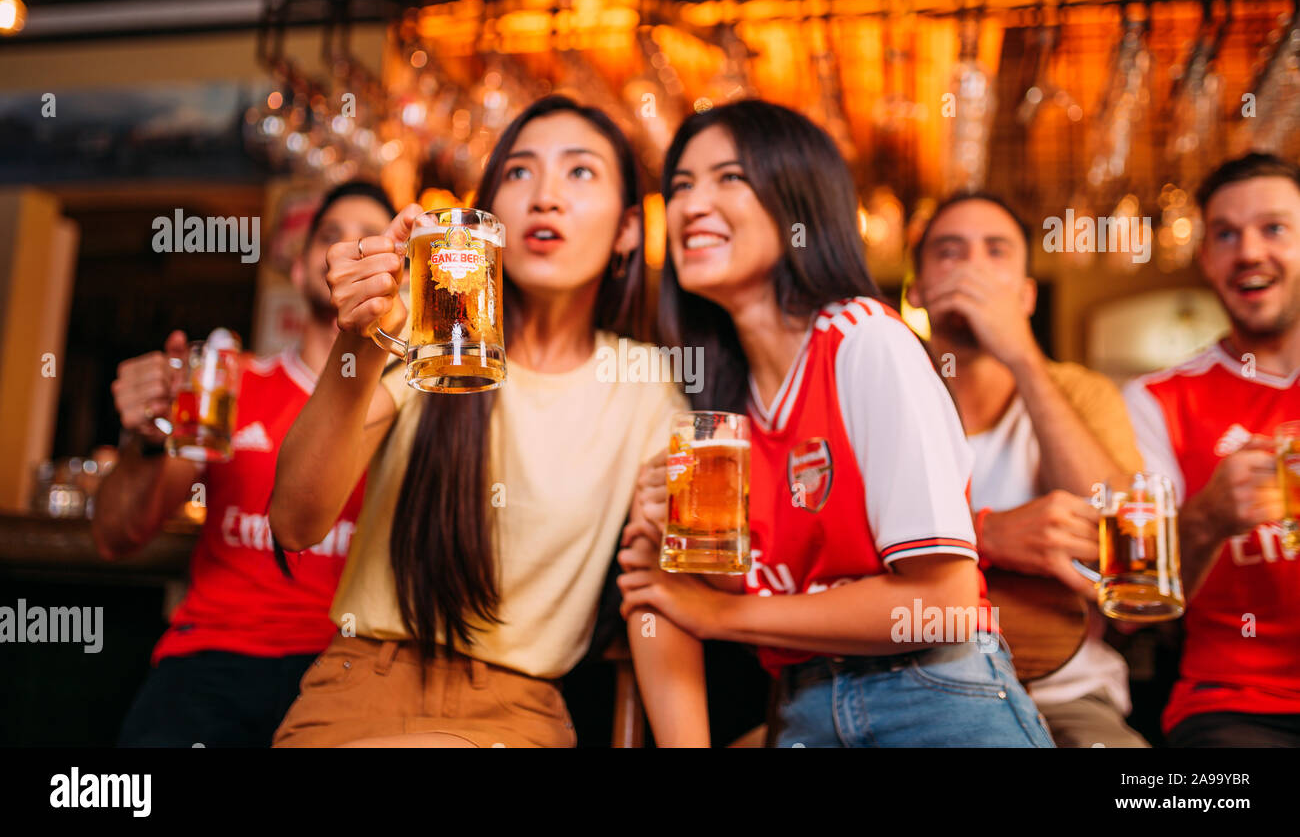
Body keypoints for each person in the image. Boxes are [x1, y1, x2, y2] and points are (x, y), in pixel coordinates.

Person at [617, 100, 1053, 747]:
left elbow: (944, 605)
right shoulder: (715, 406)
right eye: (680, 185)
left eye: (729, 177)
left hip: (933, 695)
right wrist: (668, 540)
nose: (691, 205)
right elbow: (656, 591)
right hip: (801, 708)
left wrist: (723, 613)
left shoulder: (864, 340)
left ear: (799, 201)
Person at [267, 95, 685, 748]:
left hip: (516, 715)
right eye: (519, 173)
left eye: (579, 172)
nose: (545, 196)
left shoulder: (643, 384)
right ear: (489, 218)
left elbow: (667, 584)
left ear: (629, 228)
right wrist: (360, 340)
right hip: (355, 692)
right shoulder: (443, 339)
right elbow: (294, 522)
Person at [92, 180, 397, 746]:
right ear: (303, 270)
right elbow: (116, 537)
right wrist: (147, 438)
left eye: (370, 241)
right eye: (332, 239)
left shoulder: (409, 401)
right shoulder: (230, 386)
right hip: (212, 658)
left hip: (345, 666)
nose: (352, 252)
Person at [906, 192, 1149, 748]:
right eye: (950, 251)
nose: (971, 267)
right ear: (916, 291)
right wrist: (984, 533)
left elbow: (1127, 550)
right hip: (910, 685)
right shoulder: (884, 396)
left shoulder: (1082, 392)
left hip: (1064, 693)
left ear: (1027, 295)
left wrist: (1022, 357)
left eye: (995, 252)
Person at [1124, 152, 1300, 747]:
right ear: (1206, 260)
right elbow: (1136, 609)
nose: (1248, 251)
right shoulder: (1159, 399)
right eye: (1226, 234)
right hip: (1234, 704)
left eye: (1274, 228)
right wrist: (1206, 518)